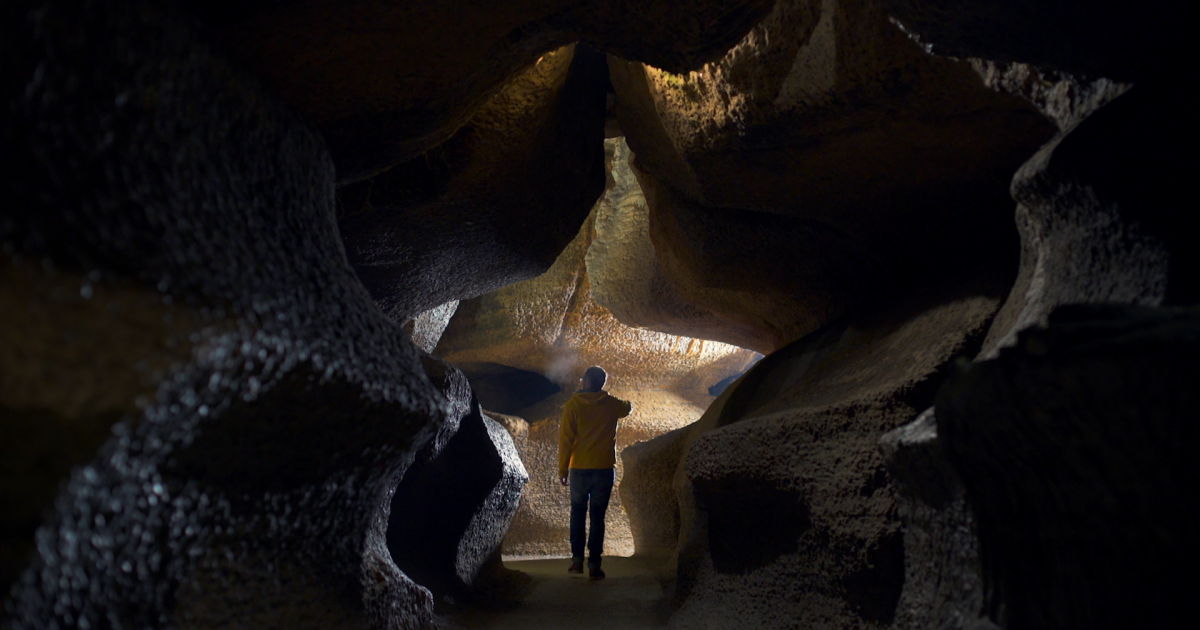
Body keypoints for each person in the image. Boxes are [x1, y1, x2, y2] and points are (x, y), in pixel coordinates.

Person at [558, 366, 632, 580]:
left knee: (577, 513)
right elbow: (627, 408)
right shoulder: (611, 404)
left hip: (579, 468)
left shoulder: (573, 405)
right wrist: (628, 403)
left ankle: (577, 561)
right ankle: (594, 565)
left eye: (583, 379)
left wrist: (563, 469)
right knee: (598, 516)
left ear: (587, 381)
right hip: (604, 468)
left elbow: (566, 440)